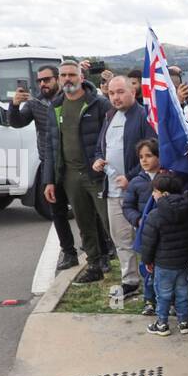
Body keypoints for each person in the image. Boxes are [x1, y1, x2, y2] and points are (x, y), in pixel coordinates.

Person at [8, 65, 77, 270]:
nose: (43, 84)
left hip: (73, 161)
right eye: (39, 81)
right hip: (49, 162)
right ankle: (69, 252)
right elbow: (17, 123)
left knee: (84, 209)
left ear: (57, 79)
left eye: (47, 80)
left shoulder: (69, 98)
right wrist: (14, 106)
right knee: (57, 211)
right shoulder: (35, 102)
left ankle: (102, 247)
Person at [52, 60, 113, 283]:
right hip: (70, 175)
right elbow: (53, 143)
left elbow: (110, 136)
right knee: (84, 222)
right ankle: (94, 264)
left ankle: (123, 264)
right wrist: (51, 179)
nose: (67, 79)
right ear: (59, 79)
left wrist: (102, 161)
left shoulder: (99, 103)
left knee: (109, 221)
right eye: (63, 75)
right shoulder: (57, 105)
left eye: (72, 74)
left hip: (96, 173)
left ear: (81, 77)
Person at [95, 76, 156, 299]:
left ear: (133, 91)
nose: (115, 97)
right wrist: (98, 159)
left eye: (120, 92)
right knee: (121, 238)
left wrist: (132, 178)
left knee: (147, 237)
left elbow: (151, 152)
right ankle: (130, 280)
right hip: (112, 189)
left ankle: (154, 280)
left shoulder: (143, 115)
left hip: (138, 190)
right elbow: (101, 146)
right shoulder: (109, 115)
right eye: (111, 93)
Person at [139, 171, 188, 336]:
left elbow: (149, 242)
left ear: (163, 194)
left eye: (155, 191)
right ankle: (184, 322)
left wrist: (147, 260)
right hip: (183, 262)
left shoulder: (155, 215)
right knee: (182, 292)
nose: (153, 194)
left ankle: (162, 324)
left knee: (163, 295)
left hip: (163, 264)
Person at [124, 138, 162, 315]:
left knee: (165, 269)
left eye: (149, 155)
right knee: (146, 268)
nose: (144, 160)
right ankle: (149, 300)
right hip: (145, 233)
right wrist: (137, 220)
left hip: (164, 234)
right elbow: (127, 206)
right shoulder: (136, 182)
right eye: (141, 157)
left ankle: (169, 300)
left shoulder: (167, 178)